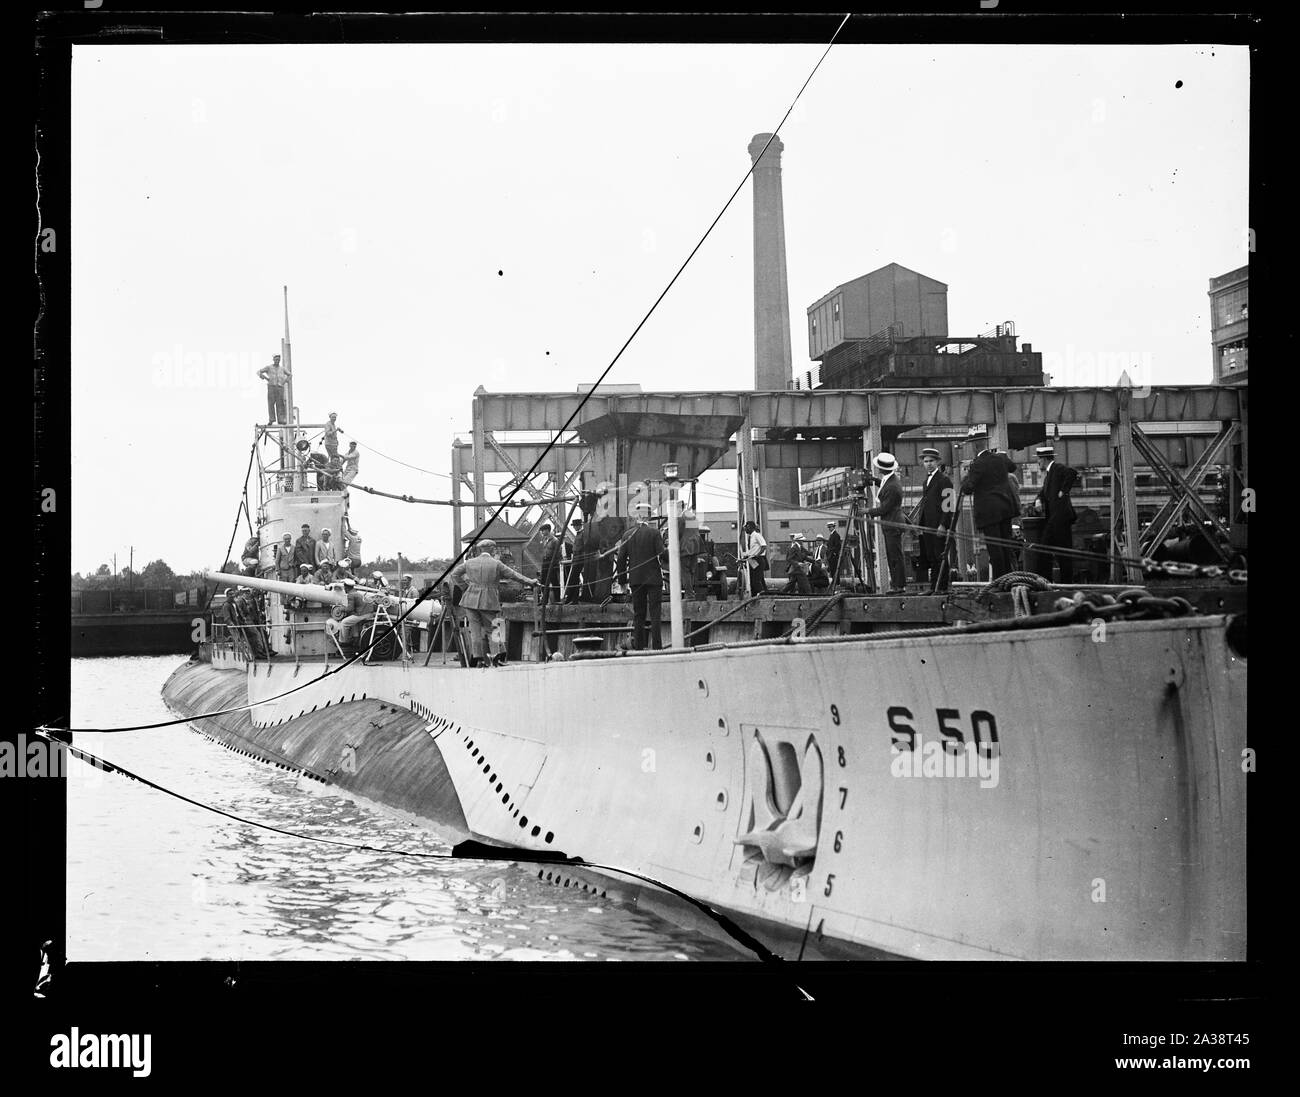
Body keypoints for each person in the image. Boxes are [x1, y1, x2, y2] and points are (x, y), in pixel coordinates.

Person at [447, 539, 538, 666]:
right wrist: (530, 582)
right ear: (491, 549)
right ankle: (497, 658)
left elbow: (454, 574)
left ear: (480, 550)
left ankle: (478, 660)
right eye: (494, 548)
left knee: (475, 632)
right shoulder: (496, 563)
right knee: (494, 629)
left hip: (469, 600)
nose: (495, 550)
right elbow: (514, 575)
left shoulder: (469, 563)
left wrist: (465, 588)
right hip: (488, 600)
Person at [960, 446, 1019, 579]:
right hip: (1005, 508)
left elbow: (968, 488)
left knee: (995, 549)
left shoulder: (977, 464)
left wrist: (965, 475)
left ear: (974, 447)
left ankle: (1000, 580)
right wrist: (1002, 455)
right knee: (1005, 546)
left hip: (989, 512)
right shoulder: (1000, 458)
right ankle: (1008, 579)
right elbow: (1012, 467)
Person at [616, 502, 667, 650]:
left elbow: (620, 560)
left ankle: (639, 647)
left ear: (637, 515)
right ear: (649, 515)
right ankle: (657, 647)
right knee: (655, 614)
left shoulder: (627, 535)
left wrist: (622, 581)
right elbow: (662, 554)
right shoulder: (655, 533)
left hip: (636, 580)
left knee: (639, 614)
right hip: (654, 579)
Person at [1033, 445, 1078, 583]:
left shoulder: (1057, 468)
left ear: (1045, 459)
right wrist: (1038, 500)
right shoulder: (1048, 475)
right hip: (1055, 519)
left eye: (1039, 460)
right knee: (1053, 551)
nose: (1037, 463)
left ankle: (1060, 583)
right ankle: (1050, 581)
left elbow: (1072, 473)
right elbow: (1043, 492)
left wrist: (1063, 491)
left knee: (1058, 552)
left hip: (1060, 518)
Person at [865, 452, 907, 592]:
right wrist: (872, 480)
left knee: (895, 555)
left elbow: (884, 509)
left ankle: (899, 585)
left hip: (892, 523)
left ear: (882, 468)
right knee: (892, 555)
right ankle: (897, 584)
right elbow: (883, 485)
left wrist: (867, 511)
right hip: (891, 522)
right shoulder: (889, 480)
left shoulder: (892, 487)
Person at [915, 447, 955, 591]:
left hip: (938, 525)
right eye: (926, 461)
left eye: (931, 461)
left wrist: (943, 525)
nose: (929, 464)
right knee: (932, 557)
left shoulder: (944, 480)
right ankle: (934, 587)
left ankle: (942, 587)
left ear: (938, 462)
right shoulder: (926, 482)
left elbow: (949, 505)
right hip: (928, 526)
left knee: (940, 557)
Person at [257, 354, 290, 424]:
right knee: (271, 403)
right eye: (276, 359)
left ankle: (281, 419)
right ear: (273, 360)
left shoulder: (282, 368)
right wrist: (266, 378)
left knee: (280, 404)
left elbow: (290, 374)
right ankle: (271, 419)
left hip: (280, 387)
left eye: (278, 360)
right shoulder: (269, 367)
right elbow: (259, 372)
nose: (277, 361)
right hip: (271, 386)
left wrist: (284, 381)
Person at [537, 522, 563, 605]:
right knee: (544, 581)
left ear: (548, 530)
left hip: (552, 562)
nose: (542, 532)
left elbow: (558, 553)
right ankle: (544, 600)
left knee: (554, 580)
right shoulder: (545, 540)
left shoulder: (555, 540)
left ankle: (557, 599)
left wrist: (554, 562)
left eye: (543, 531)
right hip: (545, 561)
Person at [740, 520, 768, 595]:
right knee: (754, 579)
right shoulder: (751, 537)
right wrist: (746, 556)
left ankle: (761, 595)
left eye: (746, 527)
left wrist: (757, 555)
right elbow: (752, 550)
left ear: (750, 527)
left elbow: (764, 546)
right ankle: (758, 595)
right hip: (752, 560)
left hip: (758, 560)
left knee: (756, 580)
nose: (745, 529)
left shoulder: (757, 535)